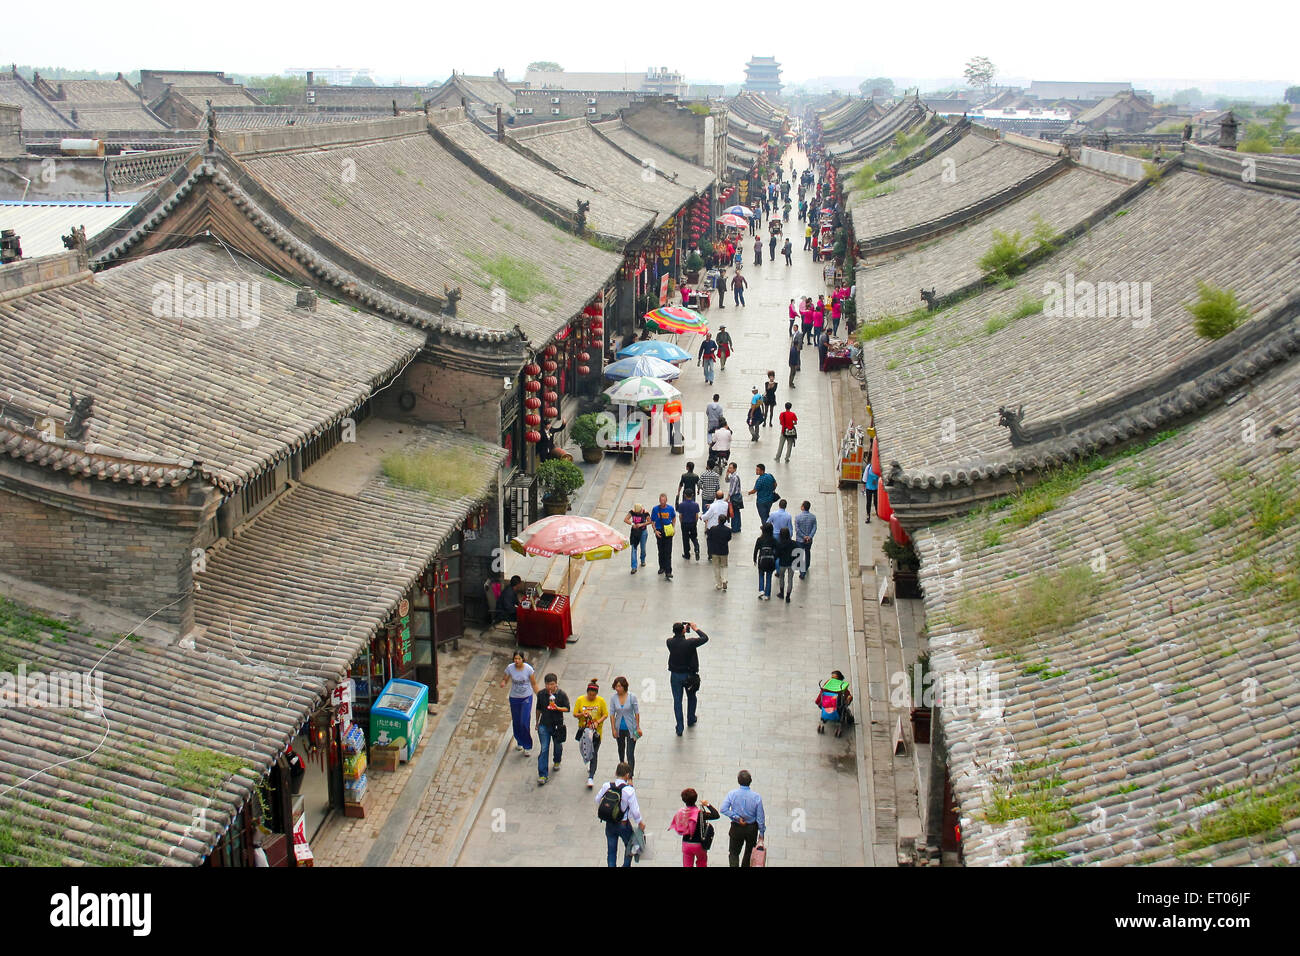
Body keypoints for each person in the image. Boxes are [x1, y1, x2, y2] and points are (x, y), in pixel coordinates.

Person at [595, 762, 644, 867]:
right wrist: (640, 822)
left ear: (616, 772)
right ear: (627, 775)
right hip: (623, 824)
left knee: (611, 851)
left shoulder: (607, 786)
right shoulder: (629, 790)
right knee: (630, 846)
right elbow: (635, 810)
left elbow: (597, 799)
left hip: (610, 824)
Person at [666, 621, 709, 735]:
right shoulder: (690, 643)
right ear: (684, 631)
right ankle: (690, 718)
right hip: (688, 675)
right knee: (691, 696)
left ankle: (680, 727)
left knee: (677, 701)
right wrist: (695, 628)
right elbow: (705, 638)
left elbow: (678, 641)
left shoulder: (669, 642)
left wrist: (683, 631)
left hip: (675, 675)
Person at [721, 770, 766, 867]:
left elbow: (723, 809)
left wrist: (736, 817)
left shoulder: (732, 794)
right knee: (749, 853)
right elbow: (760, 817)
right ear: (751, 781)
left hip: (736, 827)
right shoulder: (756, 797)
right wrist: (761, 833)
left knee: (733, 852)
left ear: (738, 781)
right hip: (751, 828)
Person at [534, 672, 570, 785]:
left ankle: (557, 760)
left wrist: (557, 708)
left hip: (557, 725)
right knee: (544, 748)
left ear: (556, 684)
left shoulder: (561, 695)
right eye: (548, 684)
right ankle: (543, 774)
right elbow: (538, 709)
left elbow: (567, 708)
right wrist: (537, 722)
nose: (550, 687)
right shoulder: (541, 694)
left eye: (552, 684)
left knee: (557, 746)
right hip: (544, 724)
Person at [500, 651, 538, 755]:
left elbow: (534, 683)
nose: (517, 661)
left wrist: (539, 694)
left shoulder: (528, 669)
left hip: (526, 697)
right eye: (515, 659)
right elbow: (505, 678)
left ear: (523, 659)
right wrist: (503, 682)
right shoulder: (510, 668)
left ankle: (527, 745)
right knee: (516, 721)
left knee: (524, 721)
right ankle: (519, 741)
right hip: (514, 697)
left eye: (519, 659)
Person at [672, 788, 722, 867]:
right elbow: (716, 815)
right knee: (702, 862)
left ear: (684, 800)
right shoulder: (700, 814)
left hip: (686, 843)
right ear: (696, 798)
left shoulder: (681, 812)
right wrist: (707, 804)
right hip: (699, 844)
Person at [573, 679, 609, 788]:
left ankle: (591, 777)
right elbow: (575, 714)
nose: (591, 697)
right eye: (589, 694)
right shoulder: (580, 700)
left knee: (594, 753)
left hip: (596, 732)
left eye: (593, 695)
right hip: (584, 731)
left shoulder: (601, 701)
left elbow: (605, 714)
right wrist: (581, 714)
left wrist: (598, 722)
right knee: (585, 750)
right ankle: (588, 760)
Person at [609, 676, 642, 775]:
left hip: (631, 728)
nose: (617, 688)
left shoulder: (632, 697)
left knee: (630, 753)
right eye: (616, 686)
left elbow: (636, 712)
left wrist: (638, 726)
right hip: (619, 728)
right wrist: (613, 729)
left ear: (624, 686)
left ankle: (630, 775)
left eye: (619, 686)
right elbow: (612, 714)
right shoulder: (613, 698)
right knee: (621, 750)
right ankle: (622, 772)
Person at [651, 493, 677, 580]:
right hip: (659, 531)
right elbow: (653, 521)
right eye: (661, 500)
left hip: (668, 530)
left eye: (664, 500)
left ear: (666, 500)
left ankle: (668, 571)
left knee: (668, 552)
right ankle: (662, 567)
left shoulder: (670, 508)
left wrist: (673, 527)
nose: (662, 502)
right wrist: (655, 531)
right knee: (661, 551)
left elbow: (674, 517)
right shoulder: (655, 509)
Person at [705, 511, 732, 590]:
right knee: (724, 566)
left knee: (716, 567)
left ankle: (719, 583)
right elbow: (729, 538)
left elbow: (708, 535)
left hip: (715, 550)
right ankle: (724, 580)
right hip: (724, 550)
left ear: (718, 520)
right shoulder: (728, 530)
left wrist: (707, 523)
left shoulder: (713, 529)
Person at [752, 522, 777, 600]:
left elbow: (756, 550)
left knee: (761, 575)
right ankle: (767, 594)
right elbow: (777, 550)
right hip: (770, 562)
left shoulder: (760, 539)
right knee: (769, 577)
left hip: (762, 561)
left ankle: (761, 590)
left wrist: (754, 559)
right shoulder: (773, 540)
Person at [794, 500, 817, 579]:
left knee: (800, 555)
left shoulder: (797, 517)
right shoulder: (813, 517)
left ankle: (802, 572)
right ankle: (807, 566)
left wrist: (803, 536)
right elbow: (814, 528)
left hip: (800, 540)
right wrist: (809, 536)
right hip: (809, 540)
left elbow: (797, 529)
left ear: (803, 507)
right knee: (807, 552)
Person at [624, 503, 651, 573]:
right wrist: (632, 524)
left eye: (639, 512)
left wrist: (641, 524)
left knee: (643, 548)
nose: (638, 513)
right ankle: (634, 567)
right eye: (637, 512)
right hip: (635, 532)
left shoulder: (645, 513)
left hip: (643, 532)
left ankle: (642, 559)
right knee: (634, 548)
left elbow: (650, 521)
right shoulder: (632, 512)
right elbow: (626, 519)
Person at [775, 527, 797, 602]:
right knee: (790, 580)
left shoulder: (779, 544)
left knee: (781, 578)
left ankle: (781, 593)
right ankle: (788, 596)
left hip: (782, 564)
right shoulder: (794, 543)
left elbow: (777, 554)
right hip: (791, 564)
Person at [678, 492, 701, 561]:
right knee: (694, 536)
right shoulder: (695, 505)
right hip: (692, 523)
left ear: (685, 495)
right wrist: (695, 522)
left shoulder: (681, 505)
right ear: (692, 495)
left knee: (685, 539)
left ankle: (687, 554)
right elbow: (696, 515)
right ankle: (696, 547)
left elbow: (680, 515)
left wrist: (681, 522)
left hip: (685, 523)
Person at [725, 461, 743, 533]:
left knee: (734, 512)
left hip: (735, 497)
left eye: (731, 468)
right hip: (736, 496)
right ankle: (737, 527)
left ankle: (735, 528)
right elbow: (727, 481)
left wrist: (728, 497)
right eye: (729, 467)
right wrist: (727, 475)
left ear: (735, 469)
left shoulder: (735, 477)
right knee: (736, 512)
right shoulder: (732, 476)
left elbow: (732, 489)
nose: (729, 469)